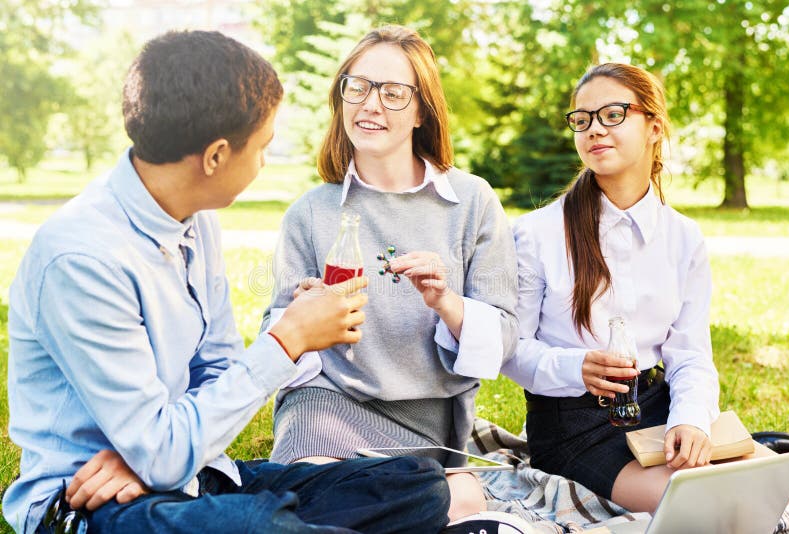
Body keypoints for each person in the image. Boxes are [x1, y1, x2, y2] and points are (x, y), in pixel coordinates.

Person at [2, 30, 454, 534]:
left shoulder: (196, 221)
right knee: (259, 526)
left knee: (416, 485)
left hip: (184, 474)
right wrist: (288, 339)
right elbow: (166, 449)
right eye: (262, 147)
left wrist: (150, 457)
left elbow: (216, 371)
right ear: (216, 156)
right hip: (93, 505)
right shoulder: (82, 259)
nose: (264, 161)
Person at [261, 25, 519, 522]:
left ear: (422, 110)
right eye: (358, 87)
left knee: (444, 504)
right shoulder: (309, 213)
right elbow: (279, 350)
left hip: (430, 424)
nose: (370, 105)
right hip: (326, 406)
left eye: (393, 93)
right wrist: (302, 322)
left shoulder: (472, 202)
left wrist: (447, 302)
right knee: (321, 496)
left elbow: (504, 339)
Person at [500, 62, 724, 513]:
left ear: (654, 127)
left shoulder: (683, 237)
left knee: (777, 481)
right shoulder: (537, 233)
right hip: (573, 429)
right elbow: (510, 349)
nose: (594, 129)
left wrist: (690, 420)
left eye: (613, 114)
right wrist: (575, 367)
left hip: (658, 408)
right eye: (582, 119)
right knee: (705, 505)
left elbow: (691, 354)